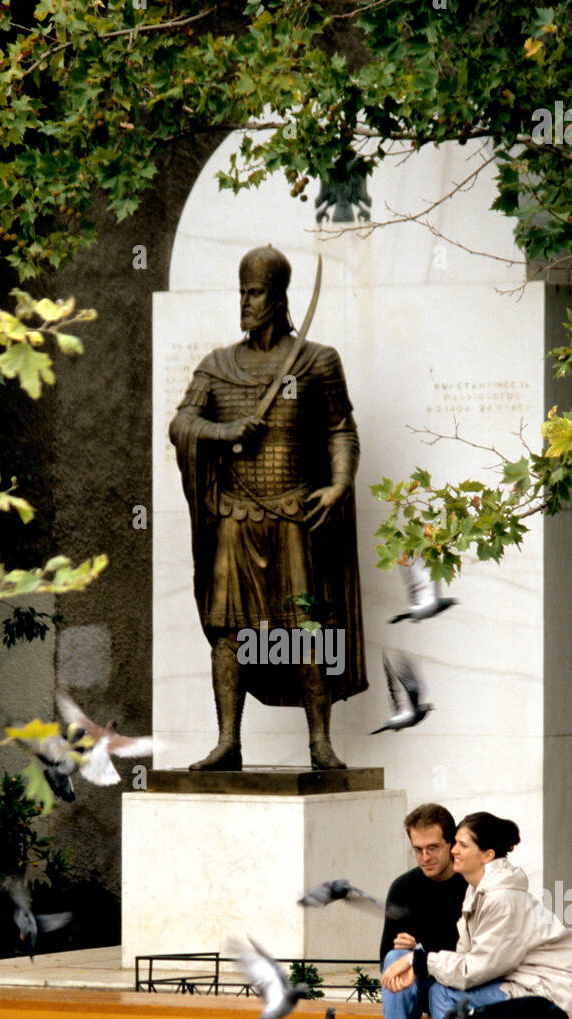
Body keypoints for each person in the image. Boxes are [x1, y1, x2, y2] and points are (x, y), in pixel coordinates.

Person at [169, 245, 367, 771]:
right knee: (230, 631)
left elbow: (340, 429)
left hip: (292, 517)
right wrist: (225, 429)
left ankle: (320, 741)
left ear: (279, 298)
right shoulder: (217, 366)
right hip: (236, 519)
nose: (246, 303)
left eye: (255, 293)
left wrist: (340, 483)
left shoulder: (317, 361)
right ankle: (228, 741)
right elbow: (182, 424)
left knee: (304, 629)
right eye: (242, 292)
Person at [382, 811, 572, 1019]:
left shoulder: (501, 899)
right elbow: (471, 962)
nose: (454, 850)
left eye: (462, 845)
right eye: (418, 850)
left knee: (443, 993)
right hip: (525, 988)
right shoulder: (478, 890)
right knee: (415, 973)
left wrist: (418, 959)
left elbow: (474, 969)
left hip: (557, 999)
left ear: (487, 855)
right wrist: (414, 959)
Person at [378, 804, 467, 1019]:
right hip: (414, 985)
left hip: (457, 984)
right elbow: (385, 959)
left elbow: (471, 957)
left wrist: (418, 953)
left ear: (451, 843)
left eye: (433, 848)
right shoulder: (404, 887)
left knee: (439, 989)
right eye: (418, 850)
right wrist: (404, 954)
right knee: (396, 957)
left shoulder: (470, 885)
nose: (425, 857)